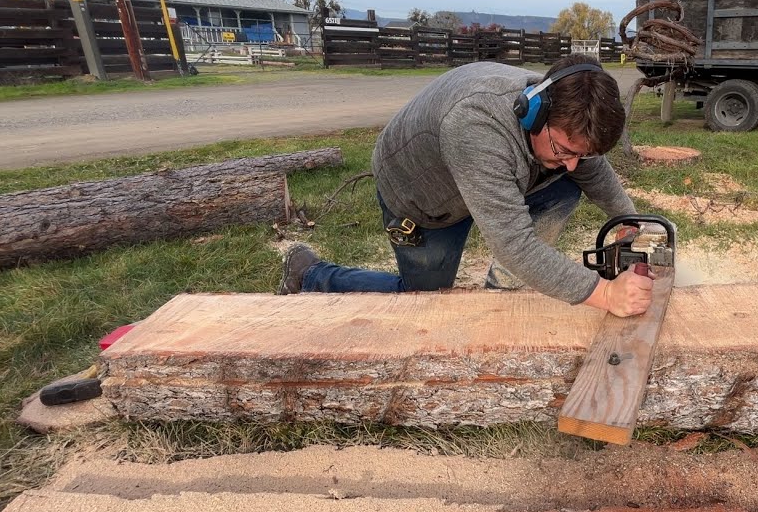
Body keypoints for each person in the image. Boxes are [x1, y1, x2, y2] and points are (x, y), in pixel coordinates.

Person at [277, 54, 656, 317]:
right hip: (424, 196)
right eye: (564, 150)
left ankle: (503, 291)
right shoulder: (475, 125)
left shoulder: (560, 112)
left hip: (491, 172)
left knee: (566, 184)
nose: (573, 163)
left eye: (580, 154)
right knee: (422, 299)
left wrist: (628, 219)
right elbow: (514, 244)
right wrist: (604, 294)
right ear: (534, 111)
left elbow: (592, 167)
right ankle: (311, 273)